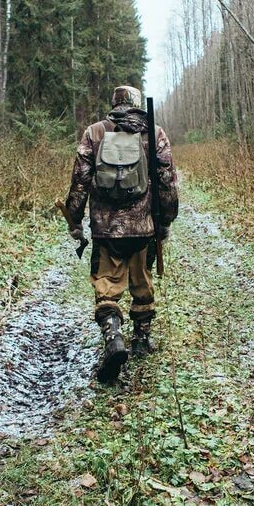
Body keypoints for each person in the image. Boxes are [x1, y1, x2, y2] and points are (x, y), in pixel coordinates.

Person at [64, 85, 179, 382]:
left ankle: (114, 337)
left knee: (107, 287)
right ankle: (141, 339)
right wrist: (166, 218)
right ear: (137, 103)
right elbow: (166, 179)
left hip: (106, 229)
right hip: (143, 228)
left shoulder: (95, 132)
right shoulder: (154, 133)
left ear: (114, 104)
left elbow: (80, 181)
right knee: (141, 279)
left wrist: (74, 219)